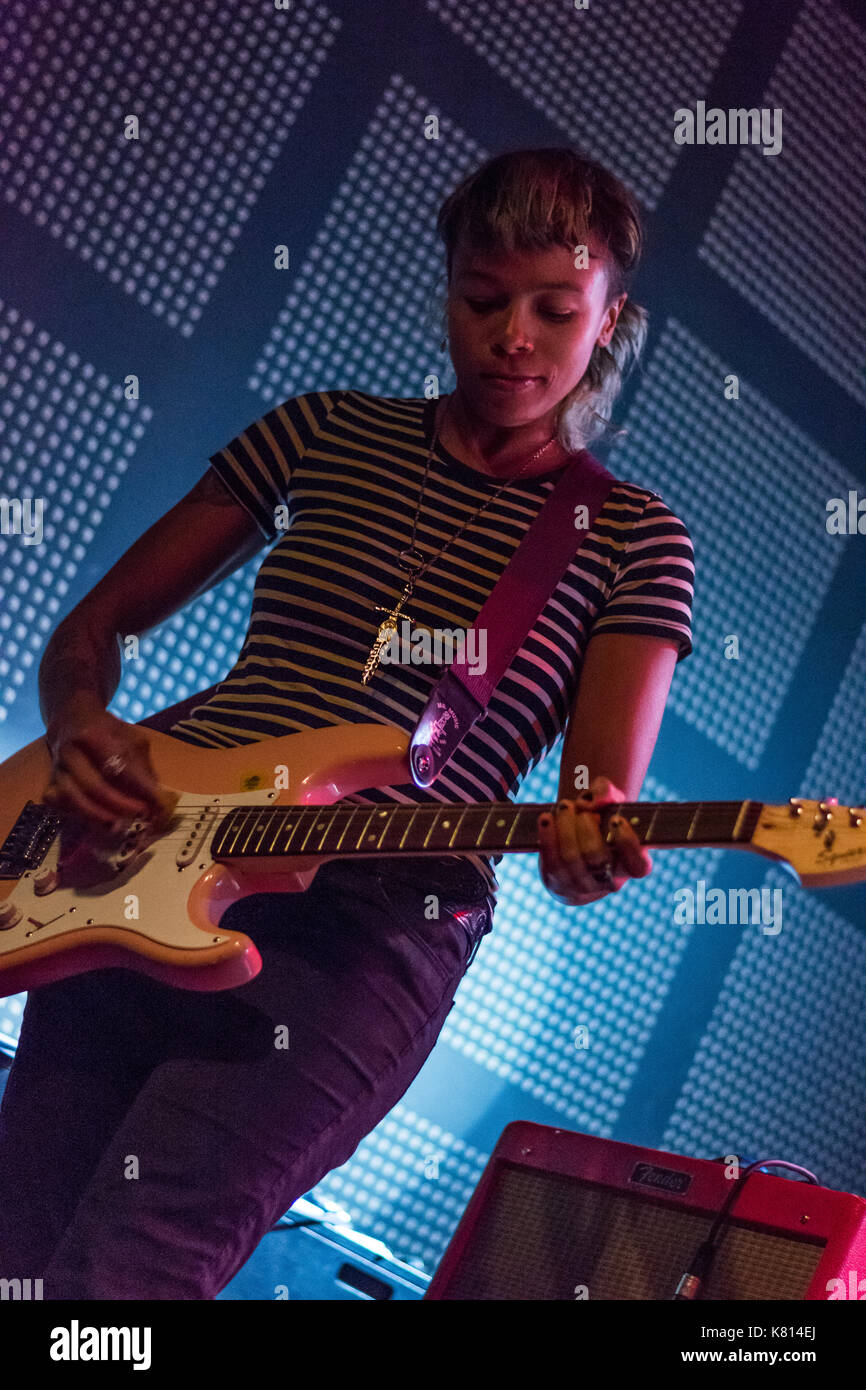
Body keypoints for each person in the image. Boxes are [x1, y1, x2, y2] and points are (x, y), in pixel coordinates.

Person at [0, 147, 694, 1299]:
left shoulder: (627, 536)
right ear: (446, 291)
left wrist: (590, 846)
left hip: (366, 926)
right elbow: (91, 632)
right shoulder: (322, 431)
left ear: (608, 318)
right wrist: (80, 725)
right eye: (481, 299)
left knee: (131, 1272)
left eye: (552, 309)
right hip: (137, 862)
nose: (511, 337)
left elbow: (592, 805)